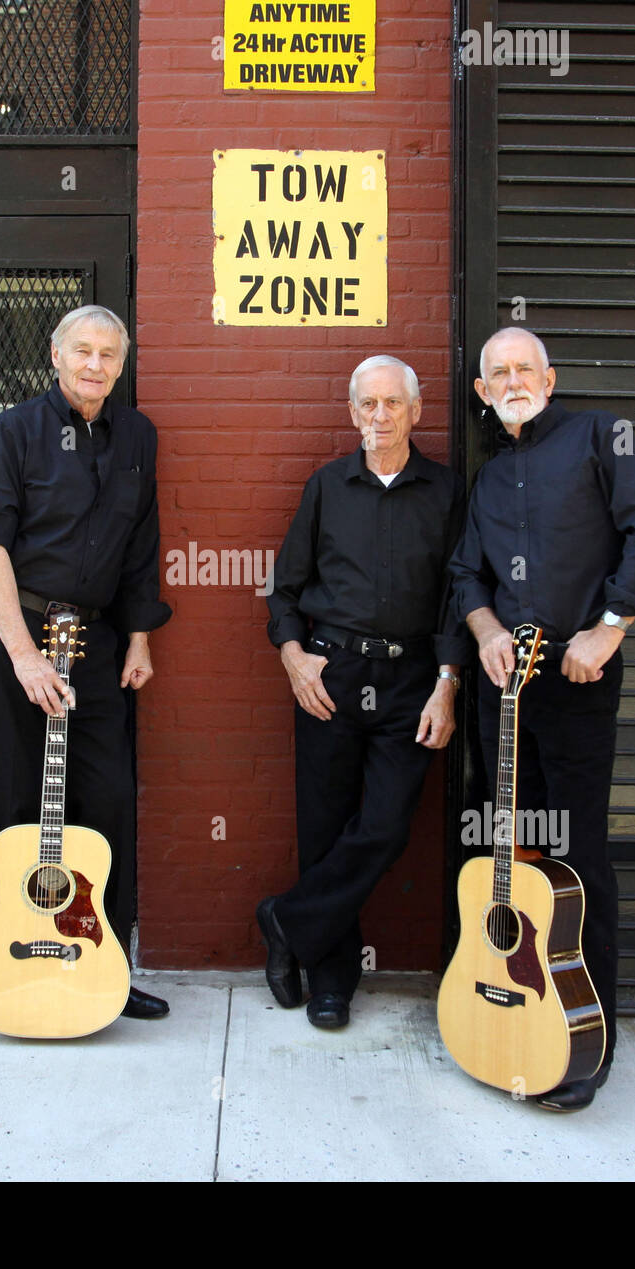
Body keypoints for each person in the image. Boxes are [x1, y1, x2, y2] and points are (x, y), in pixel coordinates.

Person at [447, 325, 635, 1108]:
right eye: (497, 372)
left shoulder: (597, 435)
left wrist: (608, 629)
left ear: (549, 376)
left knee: (577, 856)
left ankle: (587, 1035)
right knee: (509, 849)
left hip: (576, 684)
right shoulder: (487, 478)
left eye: (524, 367)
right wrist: (482, 633)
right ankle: (513, 1010)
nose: (512, 379)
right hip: (500, 690)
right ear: (482, 391)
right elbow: (465, 574)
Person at [0, 304, 172, 1020]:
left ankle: (98, 961)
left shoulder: (138, 436)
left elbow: (143, 546)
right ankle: (13, 957)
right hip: (9, 637)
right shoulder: (13, 431)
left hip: (95, 644)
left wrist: (140, 637)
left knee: (103, 801)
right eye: (83, 351)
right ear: (56, 355)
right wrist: (23, 656)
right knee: (18, 807)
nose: (95, 366)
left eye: (109, 355)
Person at [260, 355, 468, 1030]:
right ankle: (332, 981)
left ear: (416, 410)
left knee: (383, 827)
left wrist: (446, 684)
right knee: (324, 830)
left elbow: (457, 598)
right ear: (353, 413)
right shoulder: (326, 487)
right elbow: (285, 590)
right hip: (333, 676)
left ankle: (286, 919)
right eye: (367, 405)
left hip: (412, 683)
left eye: (391, 404)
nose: (379, 416)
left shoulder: (446, 492)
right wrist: (296, 661)